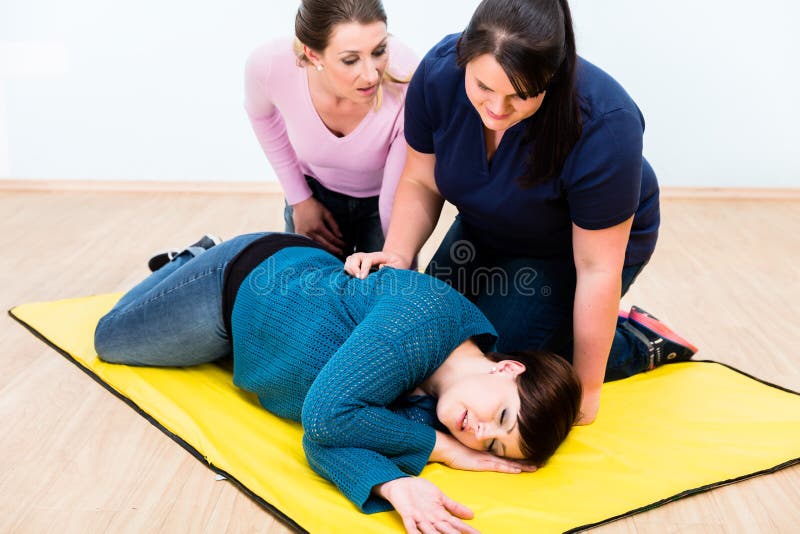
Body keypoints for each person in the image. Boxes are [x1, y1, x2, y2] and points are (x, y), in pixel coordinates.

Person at [344, 0, 698, 425]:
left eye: (521, 95)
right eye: (483, 87)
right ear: (464, 59)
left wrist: (585, 391)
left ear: (553, 76)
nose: (497, 109)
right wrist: (398, 257)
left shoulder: (606, 123)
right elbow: (421, 180)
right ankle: (564, 323)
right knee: (422, 345)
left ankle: (636, 340)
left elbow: (596, 269)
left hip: (571, 250)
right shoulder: (438, 74)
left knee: (496, 366)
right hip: (487, 221)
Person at [94, 233, 582, 533]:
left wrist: (393, 485)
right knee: (109, 338)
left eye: (493, 448)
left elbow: (321, 440)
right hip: (242, 282)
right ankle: (195, 257)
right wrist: (443, 450)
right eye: (501, 417)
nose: (477, 434)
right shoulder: (418, 322)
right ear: (507, 368)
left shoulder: (432, 404)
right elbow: (326, 416)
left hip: (250, 337)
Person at [245, 0, 418, 258]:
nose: (371, 75)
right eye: (350, 60)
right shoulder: (270, 66)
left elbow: (396, 197)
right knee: (305, 290)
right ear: (313, 54)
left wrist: (395, 259)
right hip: (313, 192)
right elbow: (261, 117)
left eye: (380, 50)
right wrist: (300, 200)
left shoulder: (408, 80)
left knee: (387, 288)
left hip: (384, 201)